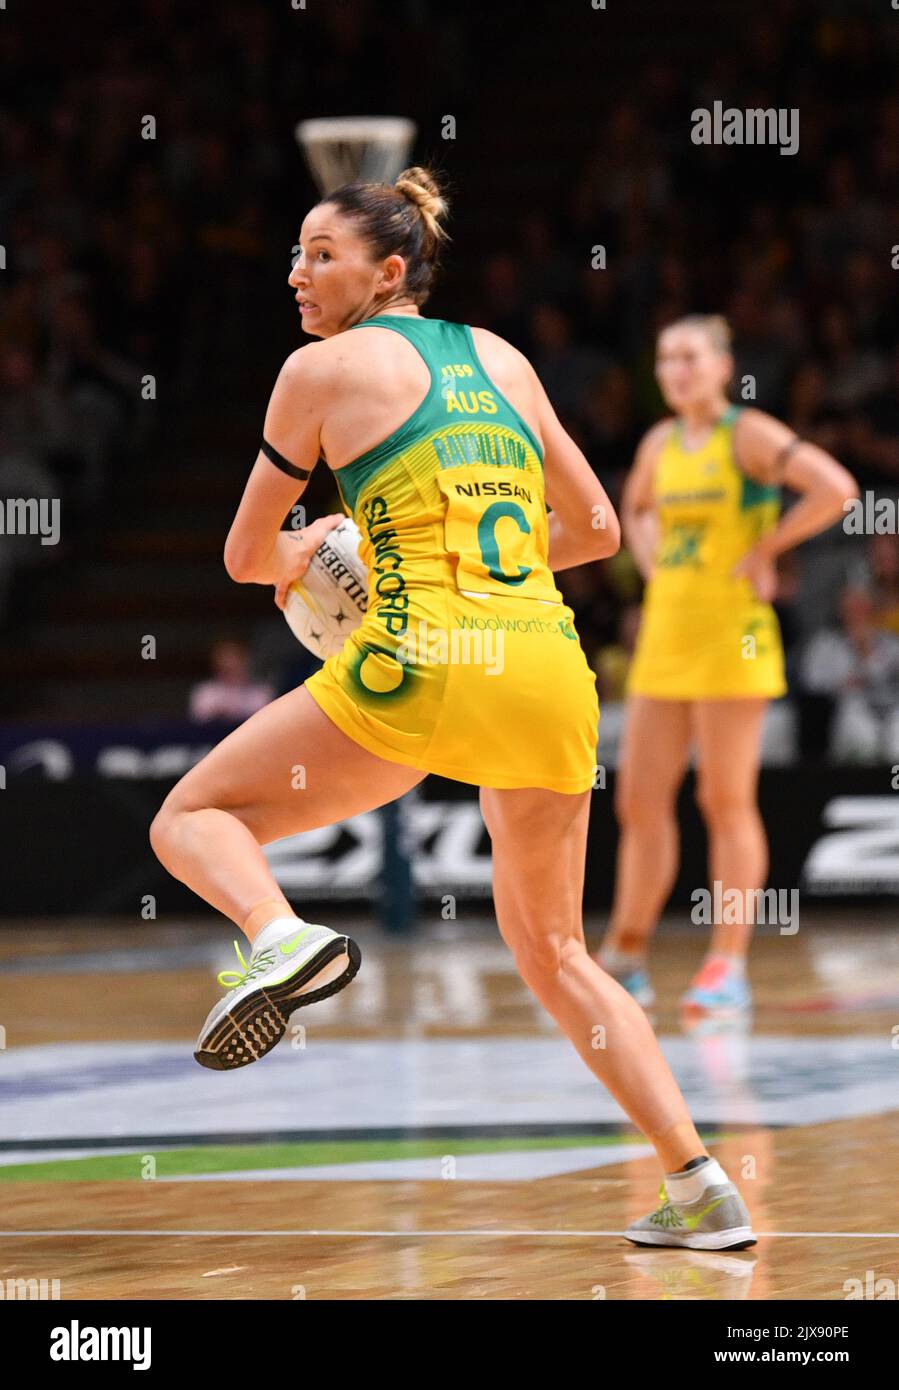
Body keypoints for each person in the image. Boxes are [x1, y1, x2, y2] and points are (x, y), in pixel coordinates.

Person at [151, 172, 756, 1248]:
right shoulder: (502, 359)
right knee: (558, 953)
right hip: (545, 668)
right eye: (294, 253)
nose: (296, 273)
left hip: (418, 662)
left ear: (387, 271)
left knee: (192, 819)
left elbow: (247, 556)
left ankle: (277, 936)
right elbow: (599, 528)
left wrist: (317, 551)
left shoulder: (317, 370)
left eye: (320, 255)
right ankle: (700, 1184)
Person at [596, 314, 857, 1018]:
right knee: (638, 802)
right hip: (666, 639)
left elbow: (836, 489)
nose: (675, 370)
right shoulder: (658, 440)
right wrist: (652, 566)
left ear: (721, 365)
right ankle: (624, 954)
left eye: (688, 356)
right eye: (663, 359)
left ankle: (725, 965)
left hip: (732, 639)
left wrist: (768, 548)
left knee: (723, 800)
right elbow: (637, 508)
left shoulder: (746, 433)